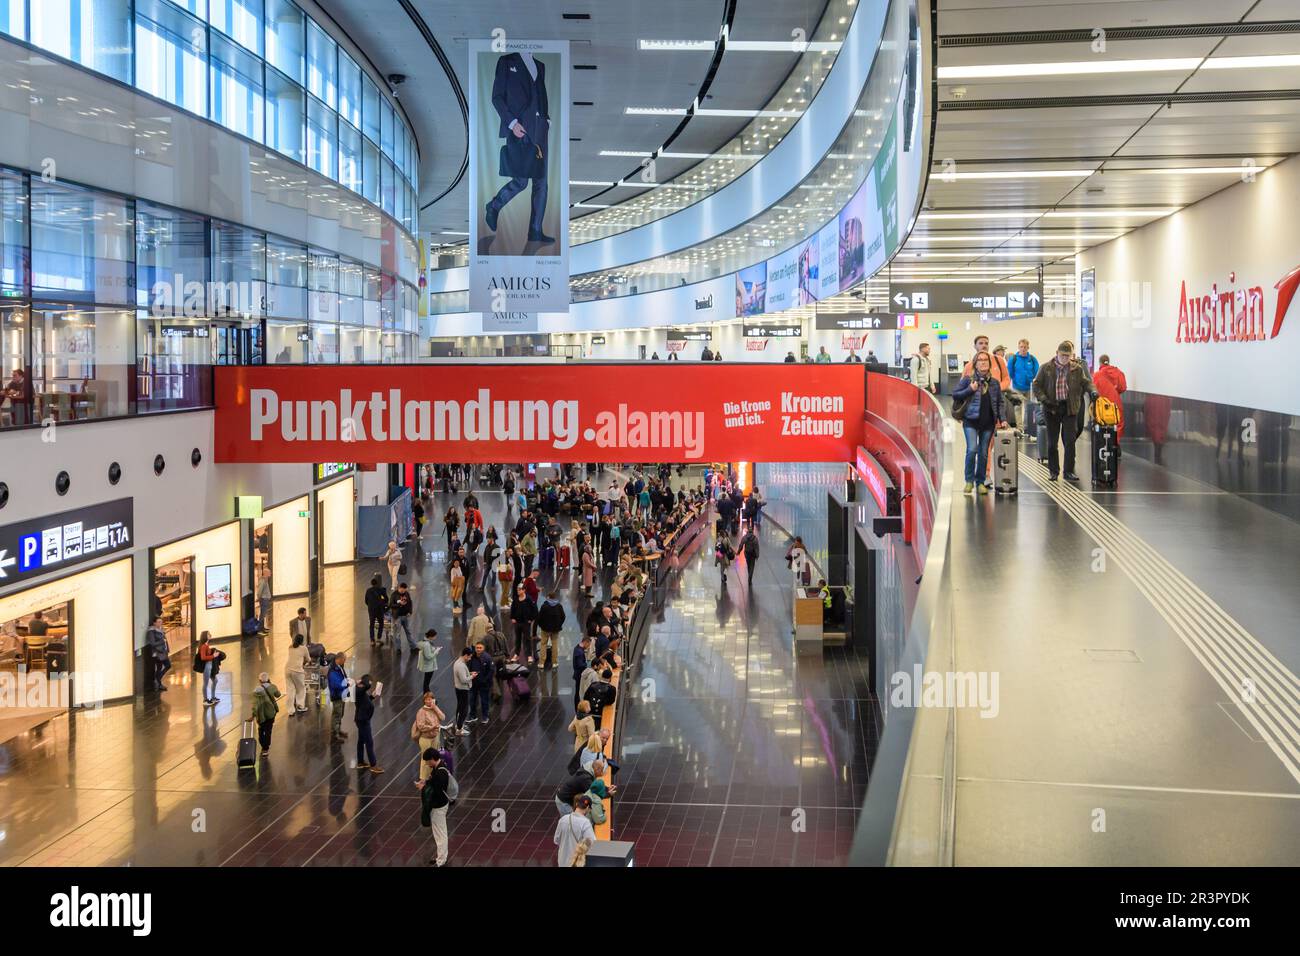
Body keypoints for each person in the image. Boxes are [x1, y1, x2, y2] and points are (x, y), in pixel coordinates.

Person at [485, 50, 556, 248]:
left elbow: (540, 92)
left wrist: (546, 118)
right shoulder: (507, 61)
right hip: (519, 128)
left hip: (540, 128)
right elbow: (497, 97)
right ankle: (494, 205)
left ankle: (535, 231)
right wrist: (512, 123)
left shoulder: (539, 65)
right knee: (522, 181)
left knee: (541, 181)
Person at [1032, 340, 1097, 482]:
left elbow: (1086, 382)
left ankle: (1068, 471)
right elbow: (1036, 385)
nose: (1065, 358)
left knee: (1070, 441)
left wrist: (1093, 391)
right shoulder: (1046, 368)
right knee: (1052, 442)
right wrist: (1044, 399)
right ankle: (1053, 471)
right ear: (1057, 353)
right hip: (1051, 408)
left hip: (1069, 408)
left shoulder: (1077, 369)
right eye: (1062, 355)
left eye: (1068, 356)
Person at [951, 350, 1007, 495]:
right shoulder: (968, 380)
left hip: (988, 423)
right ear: (975, 364)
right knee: (972, 450)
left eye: (985, 360)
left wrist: (1003, 419)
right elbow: (955, 394)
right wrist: (970, 389)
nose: (983, 362)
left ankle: (980, 482)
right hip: (970, 421)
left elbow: (1000, 402)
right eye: (980, 360)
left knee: (983, 453)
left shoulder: (994, 383)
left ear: (989, 364)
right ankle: (969, 481)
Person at [419, 748, 452, 867]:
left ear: (433, 759)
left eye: (428, 761)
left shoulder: (440, 773)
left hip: (439, 806)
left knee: (440, 834)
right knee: (438, 833)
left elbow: (437, 790)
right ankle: (440, 856)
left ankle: (441, 860)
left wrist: (424, 788)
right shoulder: (438, 768)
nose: (427, 764)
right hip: (439, 805)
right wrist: (426, 784)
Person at [1007, 338, 1040, 436]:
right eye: (1021, 347)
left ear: (1028, 348)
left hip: (1029, 387)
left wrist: (1032, 379)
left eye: (1025, 347)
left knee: (1029, 408)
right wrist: (1015, 380)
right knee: (1018, 407)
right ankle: (1019, 428)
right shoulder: (1014, 359)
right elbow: (1010, 372)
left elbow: (1037, 371)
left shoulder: (1032, 359)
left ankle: (1027, 427)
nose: (1023, 349)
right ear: (1018, 347)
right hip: (1017, 387)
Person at [1093, 354, 1128, 445]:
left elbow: (1093, 390)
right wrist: (1114, 391)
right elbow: (1123, 387)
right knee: (1118, 424)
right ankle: (1115, 445)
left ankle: (1104, 445)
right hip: (1116, 403)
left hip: (1103, 405)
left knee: (1103, 424)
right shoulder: (1119, 373)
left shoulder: (1097, 375)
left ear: (1100, 363)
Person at [554, 795, 597, 866]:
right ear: (587, 808)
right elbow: (592, 843)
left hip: (562, 861)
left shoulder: (563, 819)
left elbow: (556, 840)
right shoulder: (585, 823)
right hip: (576, 862)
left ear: (577, 804)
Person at [412, 692, 445, 782]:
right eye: (426, 699)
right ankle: (423, 778)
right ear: (424, 701)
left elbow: (442, 717)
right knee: (425, 758)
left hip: (435, 737)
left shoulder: (434, 708)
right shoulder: (421, 711)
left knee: (435, 758)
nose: (428, 701)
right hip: (425, 738)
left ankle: (432, 775)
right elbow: (421, 726)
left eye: (430, 699)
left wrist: (435, 708)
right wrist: (432, 727)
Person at [353, 674, 383, 773]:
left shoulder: (360, 690)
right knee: (369, 742)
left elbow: (365, 700)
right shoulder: (357, 690)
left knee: (361, 740)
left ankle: (360, 762)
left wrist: (372, 696)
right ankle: (373, 765)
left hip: (363, 719)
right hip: (363, 720)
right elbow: (366, 686)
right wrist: (366, 682)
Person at [249, 671, 282, 757]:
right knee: (268, 730)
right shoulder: (272, 687)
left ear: (259, 680)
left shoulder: (256, 691)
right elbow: (278, 695)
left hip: (261, 715)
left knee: (261, 730)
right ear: (268, 679)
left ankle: (263, 746)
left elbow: (255, 705)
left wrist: (253, 715)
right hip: (271, 713)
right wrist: (272, 686)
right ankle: (265, 749)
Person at [535, 590, 566, 670]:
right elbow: (563, 617)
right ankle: (554, 662)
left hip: (545, 629)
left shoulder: (544, 606)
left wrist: (541, 625)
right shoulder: (559, 606)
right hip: (555, 629)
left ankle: (541, 663)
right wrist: (559, 625)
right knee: (554, 644)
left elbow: (539, 618)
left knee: (543, 644)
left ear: (548, 597)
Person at [468, 640, 494, 725]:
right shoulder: (471, 657)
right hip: (474, 683)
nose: (478, 649)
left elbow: (491, 671)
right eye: (477, 648)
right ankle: (472, 715)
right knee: (472, 700)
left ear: (484, 648)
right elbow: (468, 667)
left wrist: (485, 680)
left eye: (480, 648)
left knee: (484, 701)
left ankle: (485, 716)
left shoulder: (487, 658)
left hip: (484, 684)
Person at [284, 633, 311, 715]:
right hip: (297, 671)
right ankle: (300, 706)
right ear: (302, 641)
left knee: (290, 690)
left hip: (287, 669)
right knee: (301, 689)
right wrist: (304, 663)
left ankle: (290, 711)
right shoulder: (304, 648)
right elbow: (309, 659)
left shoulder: (290, 647)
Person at [509, 586, 538, 661]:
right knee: (517, 639)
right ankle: (516, 654)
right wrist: (512, 618)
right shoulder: (516, 599)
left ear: (524, 590)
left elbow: (534, 609)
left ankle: (529, 655)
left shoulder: (528, 599)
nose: (518, 591)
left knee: (527, 639)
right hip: (517, 622)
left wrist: (531, 619)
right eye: (517, 590)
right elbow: (513, 608)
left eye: (519, 590)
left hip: (525, 623)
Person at [327, 650, 350, 741]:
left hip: (341, 694)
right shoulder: (333, 670)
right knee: (337, 714)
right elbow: (335, 684)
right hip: (337, 696)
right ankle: (335, 734)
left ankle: (338, 730)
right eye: (344, 659)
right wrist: (346, 684)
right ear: (339, 659)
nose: (345, 661)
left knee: (340, 714)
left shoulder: (339, 667)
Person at [452, 646, 473, 736]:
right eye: (469, 656)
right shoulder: (460, 665)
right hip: (462, 689)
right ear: (465, 655)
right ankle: (459, 729)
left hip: (458, 688)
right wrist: (472, 676)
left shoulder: (458, 662)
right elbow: (464, 680)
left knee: (460, 707)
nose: (470, 658)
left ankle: (459, 725)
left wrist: (469, 673)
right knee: (464, 710)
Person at [389, 582, 417, 651]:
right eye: (402, 590)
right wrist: (399, 604)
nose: (403, 591)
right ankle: (398, 648)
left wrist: (410, 612)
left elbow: (410, 603)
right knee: (398, 633)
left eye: (405, 590)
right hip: (397, 617)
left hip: (405, 616)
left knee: (408, 631)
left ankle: (413, 647)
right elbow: (391, 605)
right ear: (399, 588)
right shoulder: (394, 594)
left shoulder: (406, 593)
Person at [146, 616, 170, 692]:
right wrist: (162, 641)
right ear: (154, 623)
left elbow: (165, 640)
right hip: (157, 653)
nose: (160, 623)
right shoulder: (151, 631)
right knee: (167, 665)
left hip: (163, 651)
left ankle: (158, 682)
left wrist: (167, 649)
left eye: (161, 622)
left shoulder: (160, 629)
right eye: (159, 622)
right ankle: (157, 681)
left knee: (160, 668)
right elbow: (153, 643)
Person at [364, 575, 388, 645]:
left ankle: (372, 640)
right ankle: (379, 638)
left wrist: (371, 605)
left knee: (372, 624)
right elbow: (386, 599)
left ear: (371, 583)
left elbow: (366, 601)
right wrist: (381, 601)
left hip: (371, 610)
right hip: (379, 610)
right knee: (381, 623)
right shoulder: (381, 590)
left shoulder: (368, 590)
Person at [197, 630, 219, 705]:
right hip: (207, 667)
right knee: (205, 683)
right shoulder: (203, 646)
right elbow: (203, 658)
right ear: (205, 636)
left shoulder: (206, 645)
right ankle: (205, 700)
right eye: (208, 634)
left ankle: (213, 698)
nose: (210, 635)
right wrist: (213, 656)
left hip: (210, 666)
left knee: (215, 681)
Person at [571, 635, 592, 711]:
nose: (588, 647)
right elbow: (580, 665)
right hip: (579, 675)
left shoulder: (577, 648)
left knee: (577, 691)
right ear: (585, 642)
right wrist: (588, 665)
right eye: (588, 645)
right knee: (578, 692)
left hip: (577, 674)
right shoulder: (580, 652)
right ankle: (578, 707)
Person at [416, 628, 440, 693]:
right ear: (431, 636)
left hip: (428, 665)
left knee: (426, 681)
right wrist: (436, 652)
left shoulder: (426, 642)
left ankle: (426, 693)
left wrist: (434, 649)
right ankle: (426, 693)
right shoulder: (427, 644)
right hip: (428, 666)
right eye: (435, 636)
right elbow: (428, 656)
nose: (435, 637)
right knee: (427, 681)